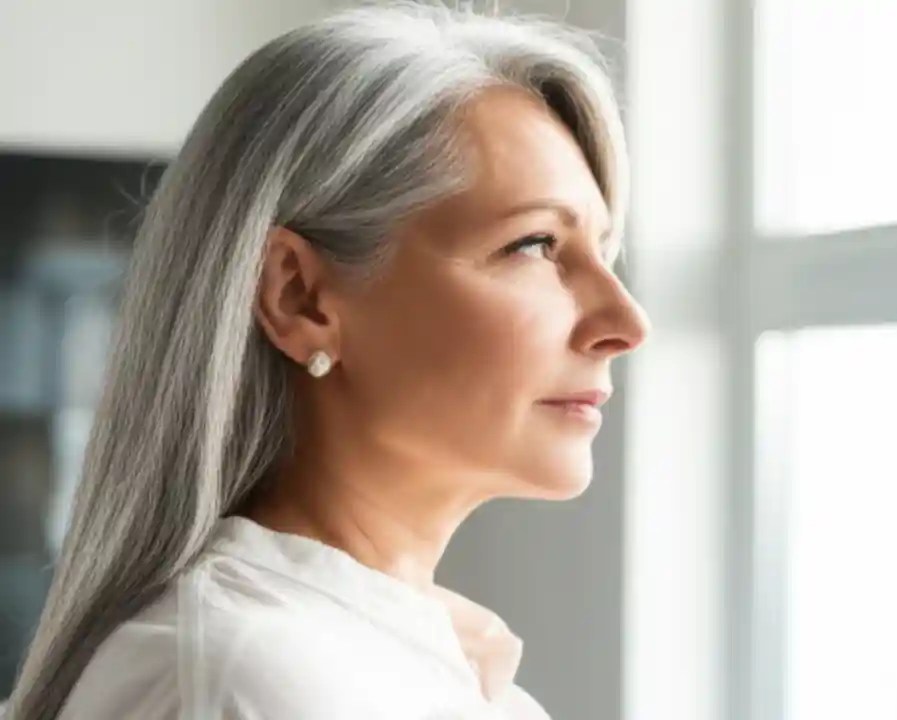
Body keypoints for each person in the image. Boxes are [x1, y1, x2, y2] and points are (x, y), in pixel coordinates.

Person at [5, 3, 648, 718]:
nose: (625, 322)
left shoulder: (449, 676)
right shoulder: (245, 680)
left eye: (604, 250)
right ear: (299, 296)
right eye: (533, 245)